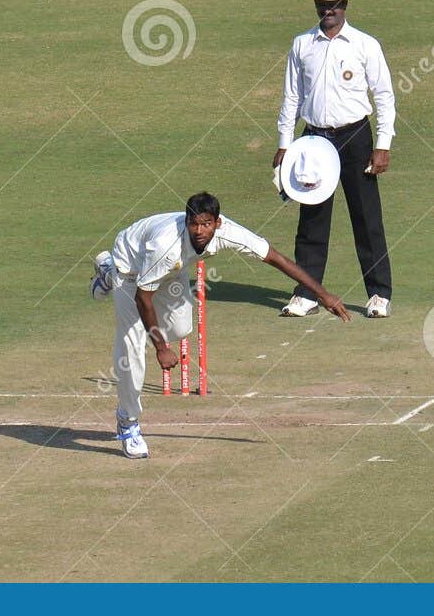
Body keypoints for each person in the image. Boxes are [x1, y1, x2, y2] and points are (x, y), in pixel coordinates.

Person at [90, 192, 349, 459]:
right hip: (131, 267)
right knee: (132, 347)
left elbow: (274, 258)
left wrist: (322, 294)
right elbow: (143, 298)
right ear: (186, 221)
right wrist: (160, 348)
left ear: (218, 223)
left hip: (171, 268)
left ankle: (105, 273)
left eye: (206, 224)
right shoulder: (164, 246)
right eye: (194, 224)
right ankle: (128, 421)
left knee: (180, 329)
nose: (200, 231)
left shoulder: (228, 231)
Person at [273, 0, 396, 320]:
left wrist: (383, 144)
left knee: (366, 215)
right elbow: (292, 97)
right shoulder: (301, 45)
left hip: (355, 136)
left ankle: (378, 293)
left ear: (345, 6)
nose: (329, 10)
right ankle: (307, 293)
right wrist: (285, 143)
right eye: (323, 4)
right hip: (313, 139)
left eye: (335, 5)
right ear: (315, 5)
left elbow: (384, 96)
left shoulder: (364, 44)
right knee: (312, 218)